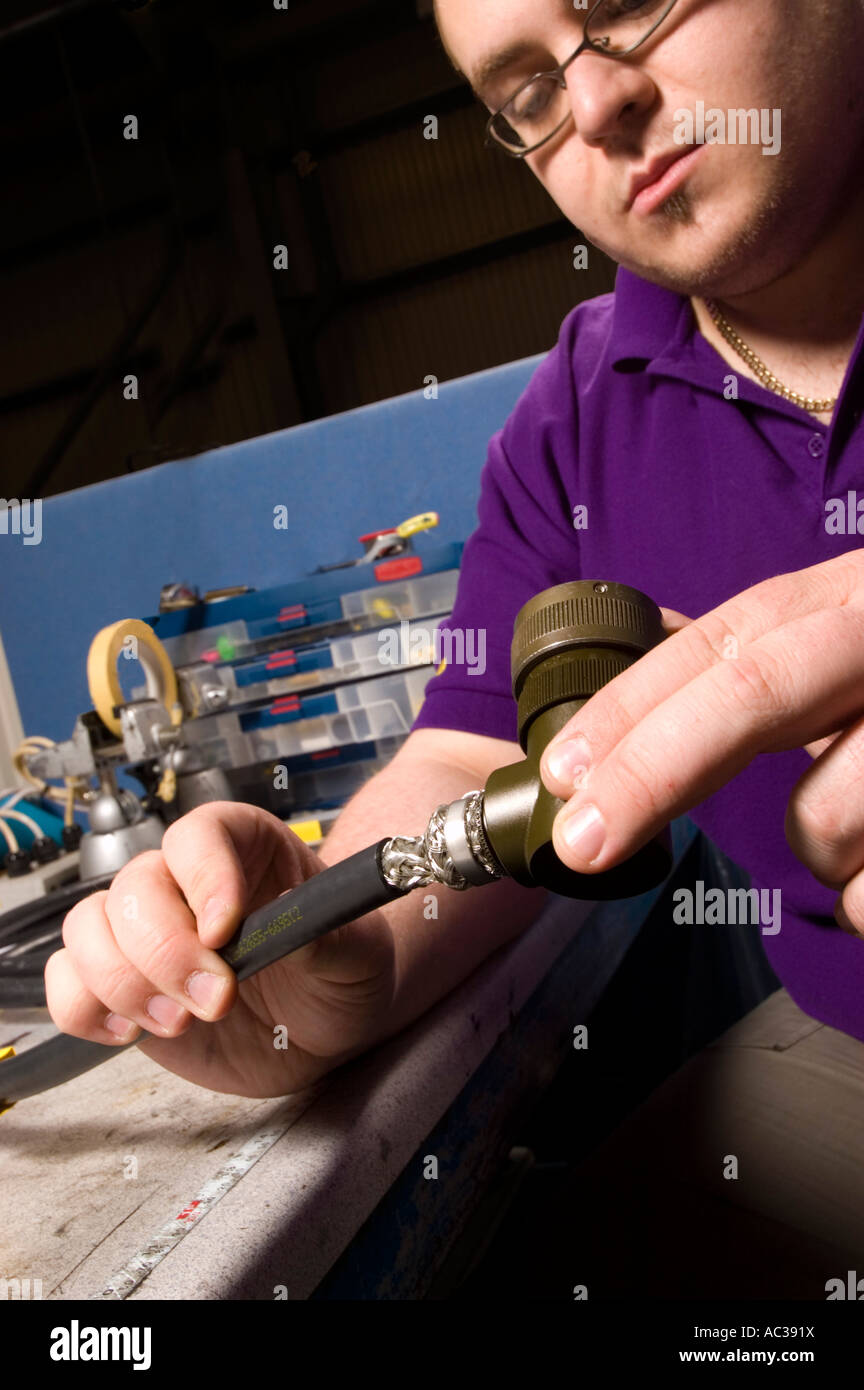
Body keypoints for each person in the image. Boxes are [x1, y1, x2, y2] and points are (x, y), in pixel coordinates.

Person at [45, 0, 864, 1298]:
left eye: (621, 5)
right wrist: (334, 945)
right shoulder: (579, 422)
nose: (597, 107)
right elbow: (472, 761)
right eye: (528, 90)